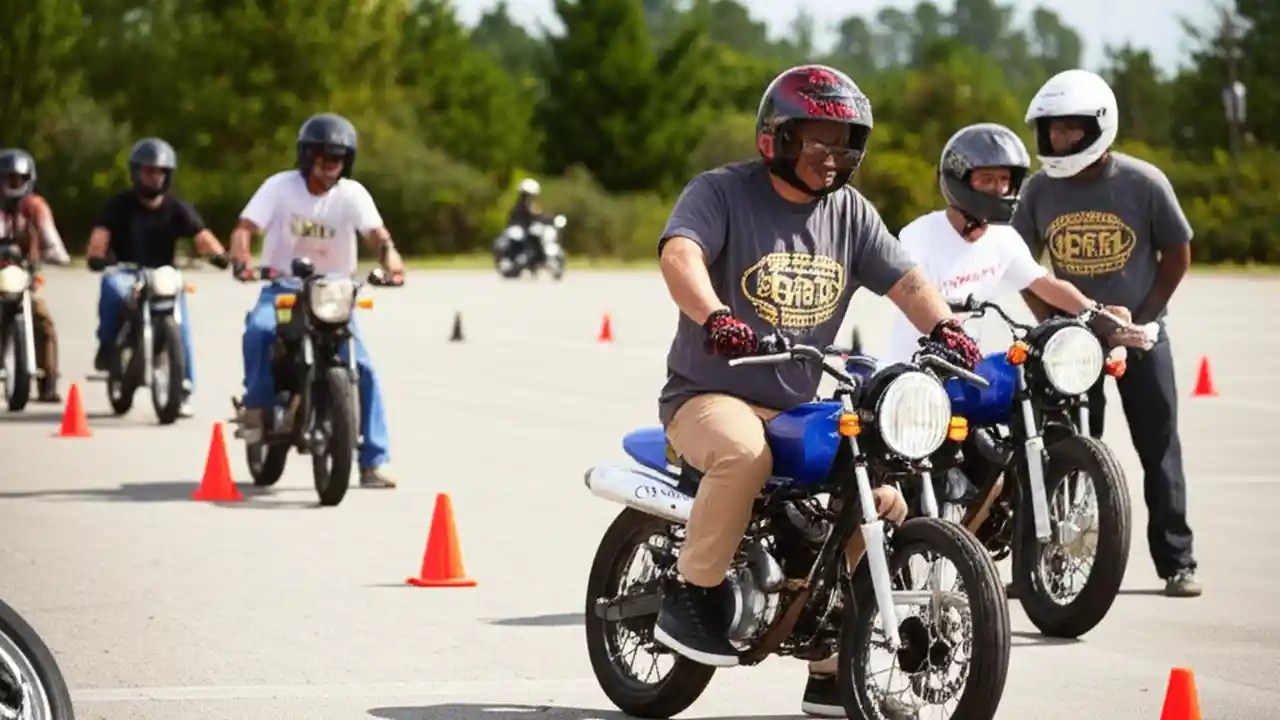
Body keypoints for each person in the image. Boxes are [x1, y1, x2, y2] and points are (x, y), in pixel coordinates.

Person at [653, 64, 983, 717]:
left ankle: (834, 667)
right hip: (708, 395)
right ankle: (691, 594)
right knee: (745, 454)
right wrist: (716, 316)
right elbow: (679, 254)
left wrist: (946, 327)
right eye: (817, 140)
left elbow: (908, 281)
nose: (832, 157)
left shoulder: (850, 213)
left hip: (800, 403)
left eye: (845, 143)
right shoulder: (721, 192)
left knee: (877, 497)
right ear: (776, 135)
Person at [1011, 68, 1200, 598]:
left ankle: (1177, 562)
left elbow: (1177, 256)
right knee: (1057, 448)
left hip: (1139, 336)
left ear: (1098, 127)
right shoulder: (1038, 190)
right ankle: (1039, 565)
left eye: (1070, 130)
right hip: (1071, 341)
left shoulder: (1143, 182)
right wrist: (1054, 321)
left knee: (1158, 446)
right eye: (1052, 130)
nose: (1059, 140)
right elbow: (1022, 263)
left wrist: (1141, 320)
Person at [228, 112, 405, 489]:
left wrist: (391, 260)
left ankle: (374, 461)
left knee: (366, 370)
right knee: (259, 331)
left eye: (338, 159)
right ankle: (257, 410)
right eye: (324, 158)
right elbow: (245, 228)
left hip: (335, 292)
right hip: (285, 288)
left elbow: (377, 234)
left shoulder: (352, 194)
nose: (331, 166)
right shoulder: (279, 187)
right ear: (307, 156)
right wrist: (242, 259)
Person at [881, 122, 1139, 366]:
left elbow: (1046, 285)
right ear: (959, 179)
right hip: (916, 369)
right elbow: (913, 296)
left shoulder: (1003, 238)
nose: (998, 188)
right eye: (987, 178)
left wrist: (1099, 313)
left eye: (1004, 180)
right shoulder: (919, 235)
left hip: (969, 365)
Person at [87, 138, 229, 417]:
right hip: (127, 271)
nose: (154, 177)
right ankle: (107, 345)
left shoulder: (176, 207)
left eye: (160, 172)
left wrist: (220, 255)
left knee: (182, 325)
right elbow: (100, 237)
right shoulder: (119, 205)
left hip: (164, 274)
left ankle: (184, 386)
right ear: (136, 172)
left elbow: (201, 236)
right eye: (148, 171)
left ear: (168, 175)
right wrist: (97, 256)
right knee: (111, 287)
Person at [0, 148, 70, 403]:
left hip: (23, 278)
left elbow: (50, 238)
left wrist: (58, 256)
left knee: (42, 320)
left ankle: (48, 380)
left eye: (18, 179)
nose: (13, 185)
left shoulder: (36, 207)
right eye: (8, 179)